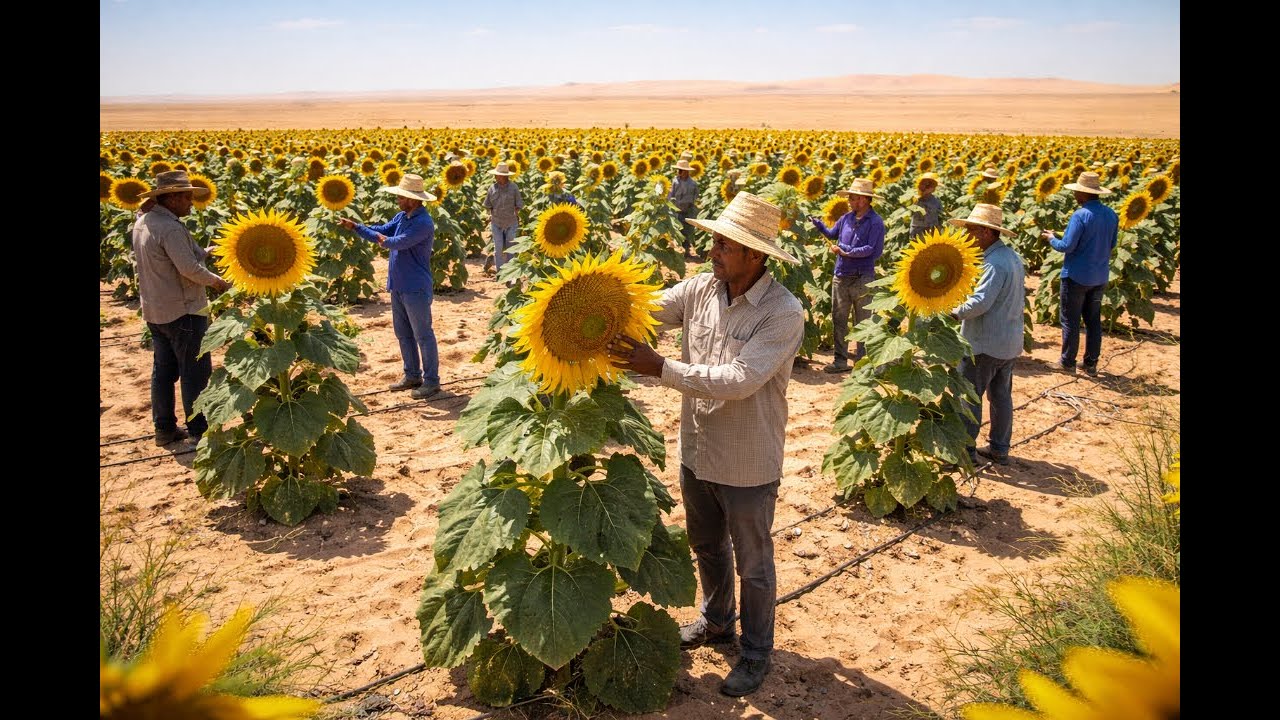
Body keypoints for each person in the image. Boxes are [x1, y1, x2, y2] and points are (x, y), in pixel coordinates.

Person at [606, 192, 804, 698]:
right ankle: (717, 621)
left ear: (756, 255)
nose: (712, 250)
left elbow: (740, 379)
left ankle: (756, 653)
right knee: (706, 545)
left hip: (747, 458)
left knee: (753, 562)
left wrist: (661, 367)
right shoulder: (700, 290)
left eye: (723, 244)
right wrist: (597, 301)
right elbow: (648, 310)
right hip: (698, 448)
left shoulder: (782, 313)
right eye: (714, 240)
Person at [131, 171, 233, 446]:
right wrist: (219, 283)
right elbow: (188, 269)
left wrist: (205, 252)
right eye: (186, 197)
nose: (191, 202)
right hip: (184, 311)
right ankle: (199, 430)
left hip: (155, 310)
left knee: (162, 372)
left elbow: (170, 257)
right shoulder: (172, 228)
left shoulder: (144, 222)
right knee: (194, 373)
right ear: (172, 198)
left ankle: (163, 429)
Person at [338, 174, 442, 400]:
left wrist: (379, 238)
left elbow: (397, 242)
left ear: (412, 199)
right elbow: (382, 229)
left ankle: (432, 381)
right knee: (403, 334)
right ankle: (412, 375)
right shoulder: (402, 216)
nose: (397, 199)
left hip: (415, 286)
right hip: (398, 285)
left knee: (423, 335)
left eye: (401, 196)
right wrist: (356, 227)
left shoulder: (423, 223)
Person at [949, 204, 1026, 466]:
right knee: (1001, 395)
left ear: (984, 232)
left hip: (984, 344)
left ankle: (965, 453)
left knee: (968, 398)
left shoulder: (993, 264)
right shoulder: (1011, 257)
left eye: (970, 230)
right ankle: (999, 448)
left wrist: (953, 313)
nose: (967, 235)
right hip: (1009, 341)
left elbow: (980, 302)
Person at [1041, 171, 1119, 376]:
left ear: (1083, 195)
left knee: (1071, 320)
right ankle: (1091, 364)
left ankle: (1067, 362)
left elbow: (1066, 246)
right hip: (1100, 276)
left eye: (1077, 192)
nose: (1075, 195)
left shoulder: (1080, 215)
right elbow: (1111, 244)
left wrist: (1051, 238)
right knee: (1093, 321)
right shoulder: (1111, 214)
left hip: (1076, 276)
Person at [808, 177, 886, 373]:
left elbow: (872, 250)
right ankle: (840, 361)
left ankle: (861, 364)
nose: (851, 202)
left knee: (863, 322)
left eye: (854, 198)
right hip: (841, 275)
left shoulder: (876, 222)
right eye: (851, 198)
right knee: (839, 320)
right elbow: (832, 234)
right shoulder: (846, 219)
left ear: (866, 200)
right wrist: (819, 226)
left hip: (863, 277)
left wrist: (847, 252)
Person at [482, 162, 523, 274]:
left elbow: (519, 204)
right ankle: (500, 273)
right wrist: (492, 215)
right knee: (498, 249)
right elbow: (488, 205)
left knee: (511, 249)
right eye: (496, 175)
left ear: (505, 176)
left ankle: (511, 272)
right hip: (496, 223)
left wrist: (513, 214)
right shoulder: (492, 188)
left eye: (499, 175)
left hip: (511, 223)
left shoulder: (514, 188)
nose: (496, 177)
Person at [669, 158, 699, 256]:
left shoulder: (693, 184)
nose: (679, 172)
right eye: (678, 170)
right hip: (677, 210)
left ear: (686, 171)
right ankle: (680, 247)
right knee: (679, 231)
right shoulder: (675, 181)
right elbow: (671, 194)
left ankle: (687, 250)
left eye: (680, 170)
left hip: (688, 210)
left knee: (687, 230)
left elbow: (696, 196)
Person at [909, 172, 943, 239]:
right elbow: (910, 211)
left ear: (933, 188)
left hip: (932, 231)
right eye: (923, 184)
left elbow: (940, 215)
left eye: (930, 185)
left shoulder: (936, 201)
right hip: (918, 232)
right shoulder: (915, 199)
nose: (926, 187)